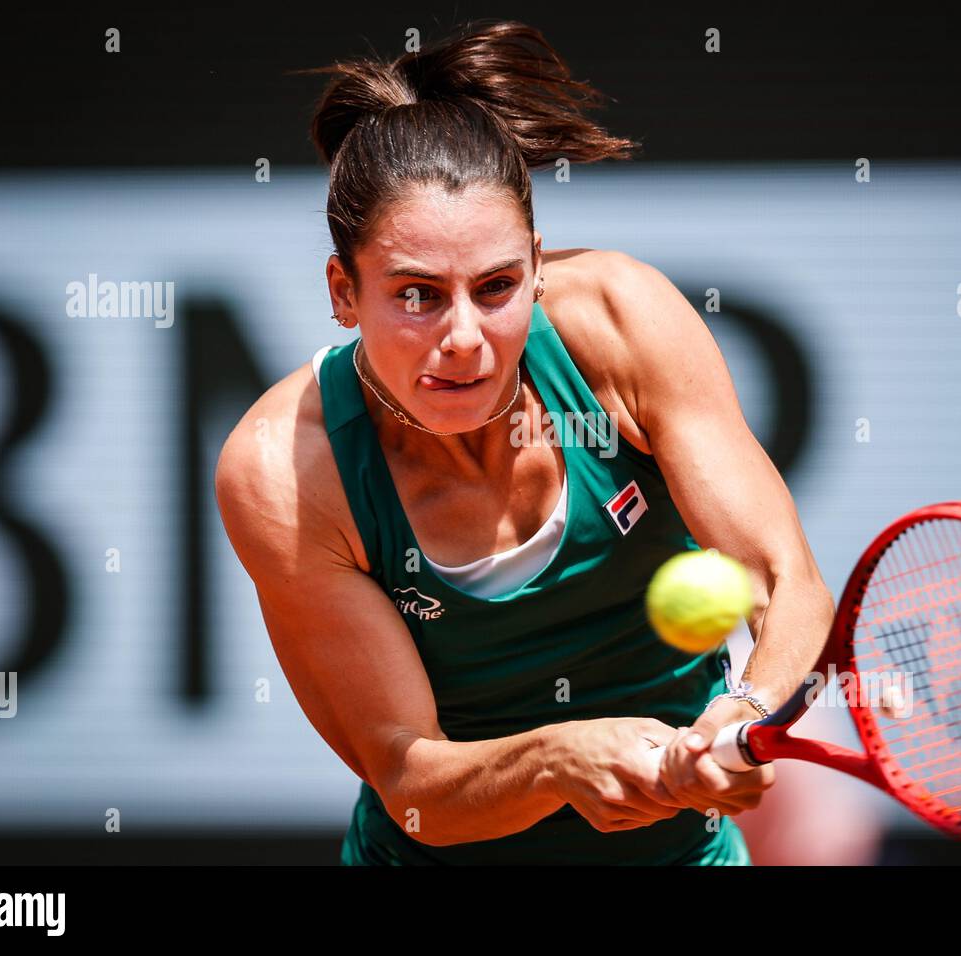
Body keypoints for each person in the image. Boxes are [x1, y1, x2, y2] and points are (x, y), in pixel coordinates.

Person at [215, 19, 834, 865]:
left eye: (498, 286)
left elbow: (784, 580)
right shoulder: (282, 473)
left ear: (538, 267)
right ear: (342, 291)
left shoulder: (622, 321)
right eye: (418, 295)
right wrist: (555, 760)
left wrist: (748, 710)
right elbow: (411, 783)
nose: (465, 336)